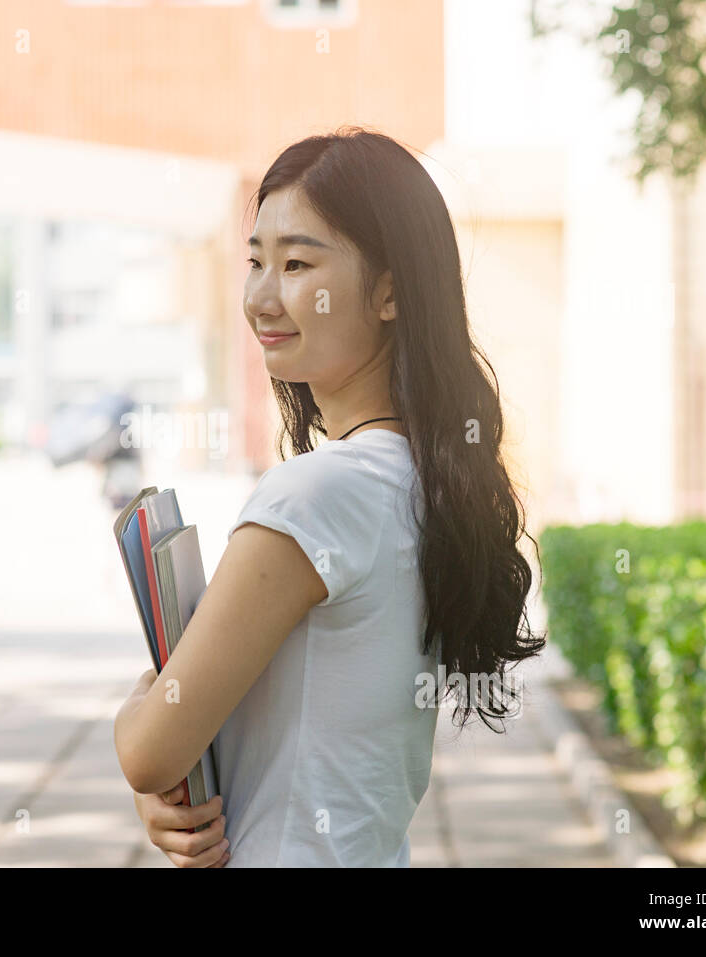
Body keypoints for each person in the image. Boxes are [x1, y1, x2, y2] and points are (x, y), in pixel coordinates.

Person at [114, 127, 545, 867]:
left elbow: (152, 749)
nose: (262, 297)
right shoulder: (423, 478)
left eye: (297, 263)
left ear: (389, 290)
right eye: (255, 262)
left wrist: (138, 705)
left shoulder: (315, 494)